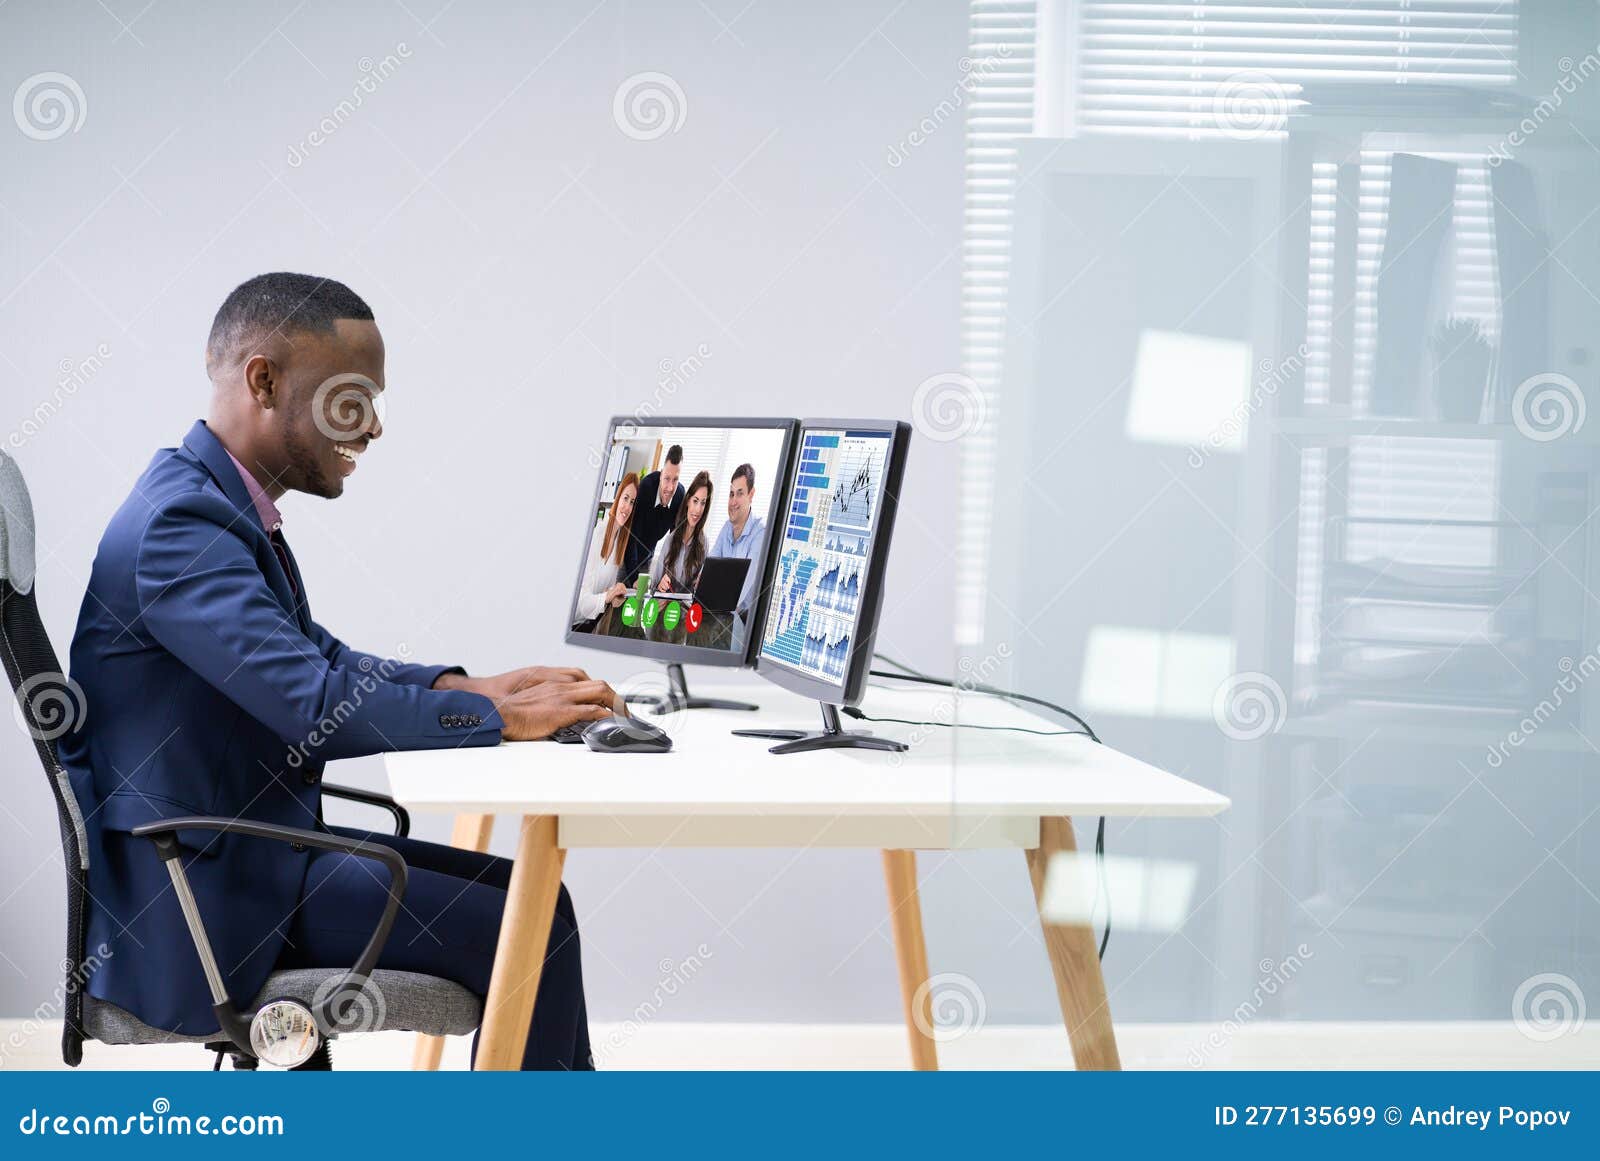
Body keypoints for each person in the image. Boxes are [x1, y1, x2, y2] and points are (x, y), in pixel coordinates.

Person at [58, 272, 618, 1071]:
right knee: (531, 929)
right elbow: (313, 702)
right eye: (353, 399)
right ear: (265, 380)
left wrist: (467, 688)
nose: (375, 427)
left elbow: (319, 657)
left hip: (243, 856)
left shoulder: (211, 503)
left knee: (540, 901)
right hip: (207, 905)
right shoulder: (180, 526)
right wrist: (501, 721)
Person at [572, 473, 638, 629]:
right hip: (574, 622)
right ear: (617, 498)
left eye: (632, 502)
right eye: (625, 498)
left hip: (591, 622)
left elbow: (605, 591)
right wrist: (607, 597)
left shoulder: (620, 540)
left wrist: (614, 596)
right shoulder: (598, 533)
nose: (627, 507)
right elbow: (581, 602)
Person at [708, 462, 766, 634]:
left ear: (751, 494)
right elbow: (708, 571)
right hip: (720, 616)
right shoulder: (727, 527)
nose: (733, 501)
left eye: (739, 494)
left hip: (744, 624)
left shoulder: (760, 532)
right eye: (731, 494)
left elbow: (739, 593)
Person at [622, 444, 683, 585]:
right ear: (661, 474)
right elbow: (632, 536)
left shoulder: (679, 495)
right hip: (628, 554)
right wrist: (634, 578)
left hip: (647, 556)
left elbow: (674, 541)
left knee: (641, 601)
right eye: (667, 478)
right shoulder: (646, 488)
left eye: (675, 479)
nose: (670, 487)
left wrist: (667, 574)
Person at [649, 470, 712, 596]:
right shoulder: (671, 539)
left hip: (686, 612)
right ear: (688, 501)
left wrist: (699, 585)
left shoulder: (703, 543)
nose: (698, 509)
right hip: (664, 609)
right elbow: (653, 588)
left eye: (703, 503)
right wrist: (660, 585)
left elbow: (701, 593)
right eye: (695, 501)